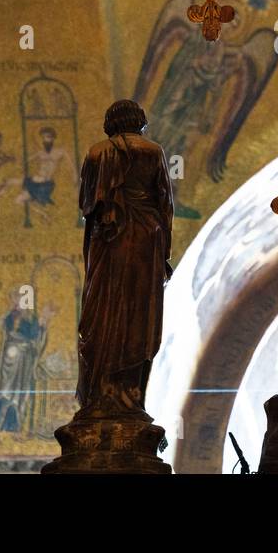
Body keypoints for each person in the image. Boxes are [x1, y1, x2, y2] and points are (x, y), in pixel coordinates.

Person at [75, 100, 173, 414]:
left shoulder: (96, 153)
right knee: (138, 316)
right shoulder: (153, 152)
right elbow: (165, 206)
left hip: (109, 242)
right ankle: (132, 393)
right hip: (146, 241)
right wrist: (164, 254)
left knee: (102, 313)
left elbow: (88, 206)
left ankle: (101, 390)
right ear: (139, 121)